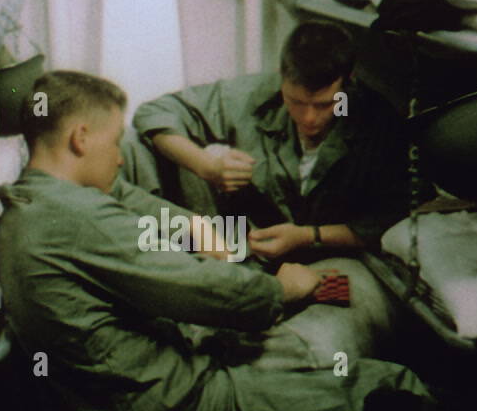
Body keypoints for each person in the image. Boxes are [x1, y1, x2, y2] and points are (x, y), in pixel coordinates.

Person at [0, 70, 436, 411]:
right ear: (81, 138)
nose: (118, 158)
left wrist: (193, 225)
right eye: (114, 142)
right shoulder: (81, 221)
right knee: (390, 386)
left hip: (97, 408)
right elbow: (206, 291)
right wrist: (284, 289)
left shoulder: (34, 200)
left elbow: (124, 196)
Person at [132, 20, 411, 264]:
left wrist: (306, 237)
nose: (309, 117)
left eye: (324, 105)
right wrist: (207, 166)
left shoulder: (377, 123)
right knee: (132, 147)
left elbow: (390, 218)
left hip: (330, 254)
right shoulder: (259, 94)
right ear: (282, 77)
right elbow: (154, 112)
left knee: (334, 299)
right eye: (296, 102)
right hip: (250, 243)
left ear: (348, 82)